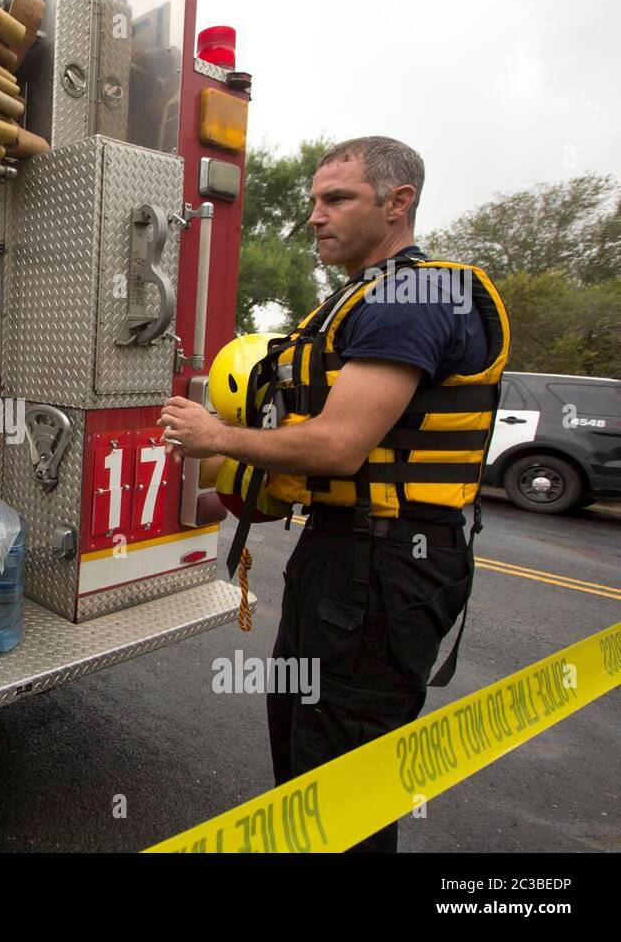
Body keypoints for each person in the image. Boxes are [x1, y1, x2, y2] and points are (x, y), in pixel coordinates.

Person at [159, 137, 510, 852]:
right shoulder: (361, 300)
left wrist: (215, 437)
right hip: (345, 558)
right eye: (315, 200)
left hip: (384, 571)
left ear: (398, 202)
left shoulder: (416, 295)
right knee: (305, 758)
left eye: (338, 199)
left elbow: (339, 443)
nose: (316, 217)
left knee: (341, 777)